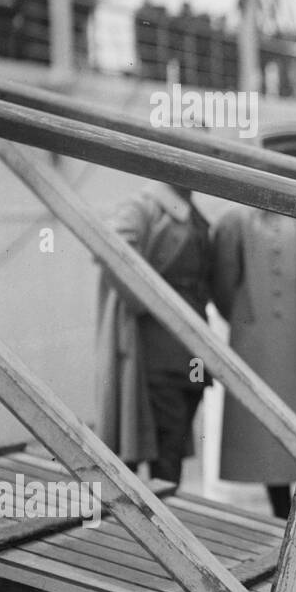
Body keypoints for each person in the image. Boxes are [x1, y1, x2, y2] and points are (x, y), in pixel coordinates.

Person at [212, 127, 296, 518]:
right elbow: (223, 284)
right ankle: (281, 505)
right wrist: (252, 324)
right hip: (271, 331)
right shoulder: (243, 217)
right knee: (277, 413)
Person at [96, 181, 213, 485]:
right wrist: (145, 302)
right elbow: (109, 247)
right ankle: (162, 525)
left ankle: (165, 517)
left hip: (195, 346)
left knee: (180, 427)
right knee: (166, 441)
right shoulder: (143, 206)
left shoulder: (191, 210)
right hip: (159, 345)